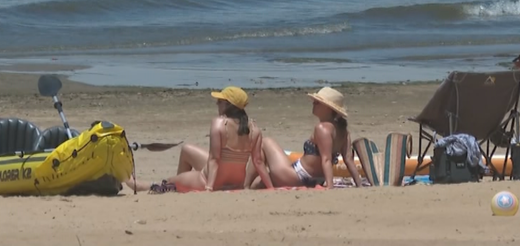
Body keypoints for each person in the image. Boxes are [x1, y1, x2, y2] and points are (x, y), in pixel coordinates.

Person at [130, 87, 273, 193]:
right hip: (237, 182)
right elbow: (258, 161)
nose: (217, 104)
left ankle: (155, 186)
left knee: (170, 182)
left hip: (211, 180)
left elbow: (214, 159)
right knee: (186, 149)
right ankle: (178, 187)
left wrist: (209, 187)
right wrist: (271, 188)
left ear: (229, 105)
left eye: (220, 101)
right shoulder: (254, 129)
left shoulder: (219, 124)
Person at [247, 87, 364, 189]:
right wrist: (359, 184)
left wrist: (330, 186)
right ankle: (249, 185)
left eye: (317, 102)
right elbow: (348, 160)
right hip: (314, 179)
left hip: (298, 176)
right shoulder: (343, 132)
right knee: (258, 183)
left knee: (265, 142)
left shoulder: (322, 128)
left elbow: (326, 159)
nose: (313, 103)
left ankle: (244, 185)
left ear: (328, 108)